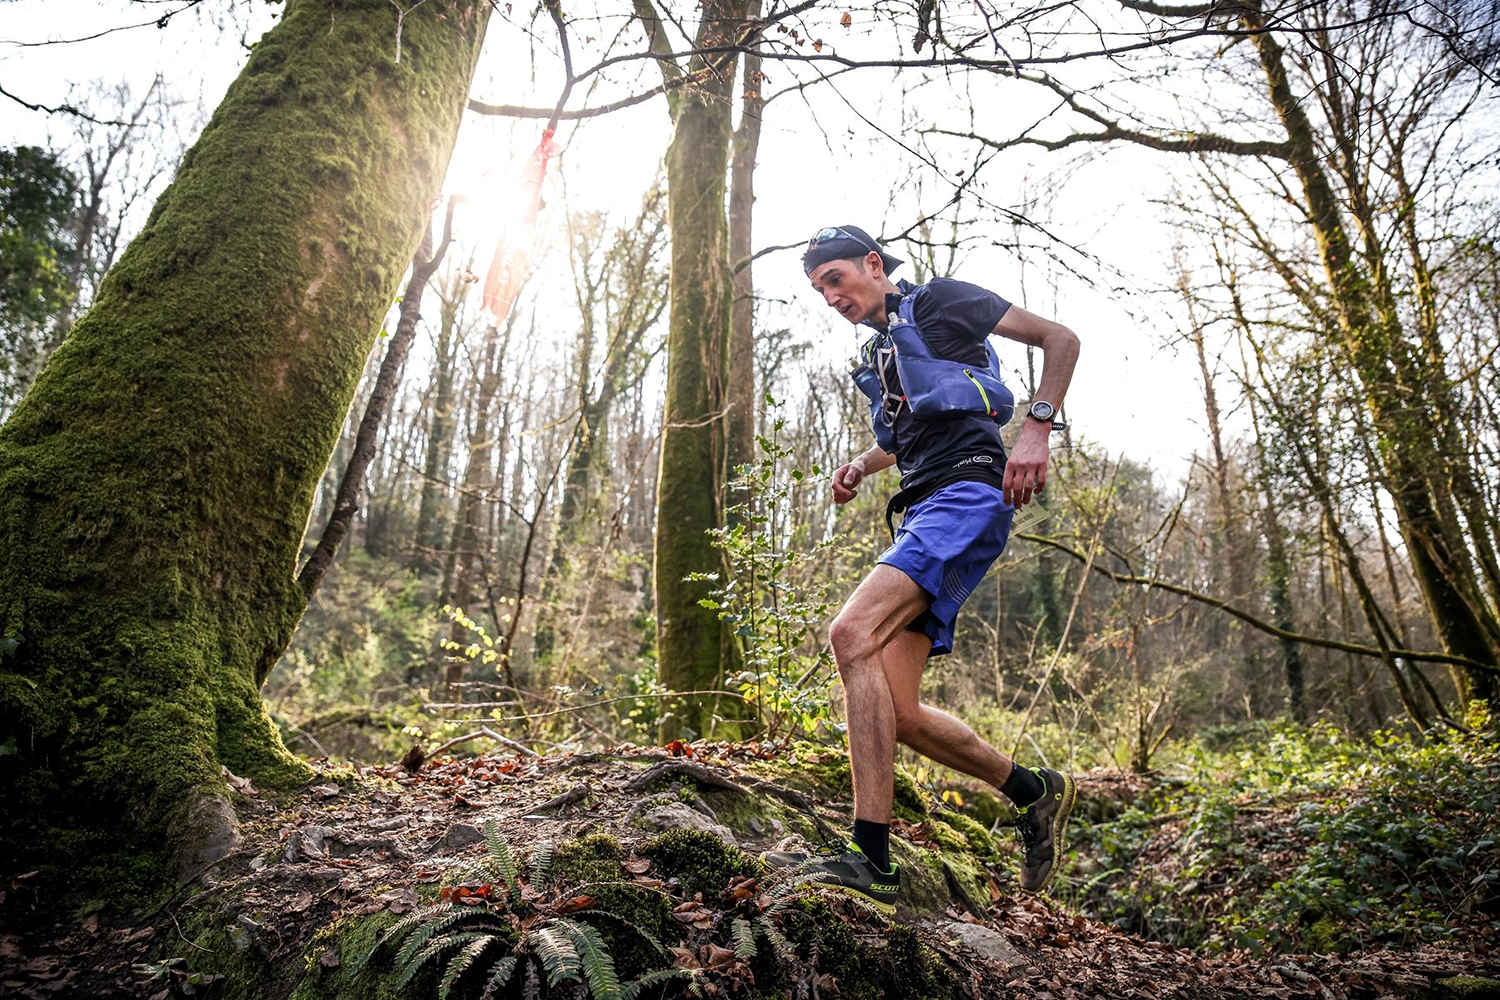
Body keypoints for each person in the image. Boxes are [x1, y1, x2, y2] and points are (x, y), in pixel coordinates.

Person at [764, 225, 1081, 914]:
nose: (831, 296)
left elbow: (1062, 339)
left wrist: (1037, 426)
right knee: (901, 713)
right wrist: (860, 465)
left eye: (838, 279)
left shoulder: (941, 302)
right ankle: (1033, 791)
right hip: (923, 508)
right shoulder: (883, 353)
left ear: (874, 266)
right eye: (820, 289)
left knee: (851, 634)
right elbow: (906, 432)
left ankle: (869, 857)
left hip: (967, 494)